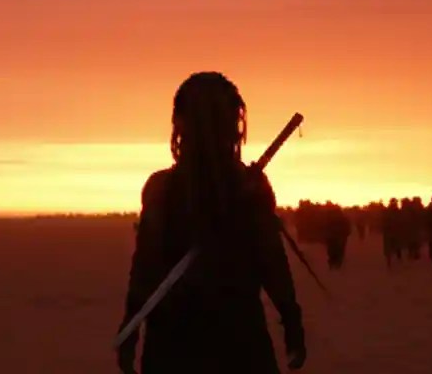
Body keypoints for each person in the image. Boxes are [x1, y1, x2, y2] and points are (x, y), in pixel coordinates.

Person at [117, 72, 306, 373]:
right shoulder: (164, 189)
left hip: (216, 343)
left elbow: (271, 260)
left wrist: (291, 317)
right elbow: (146, 266)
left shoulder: (248, 188)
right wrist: (291, 320)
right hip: (201, 343)